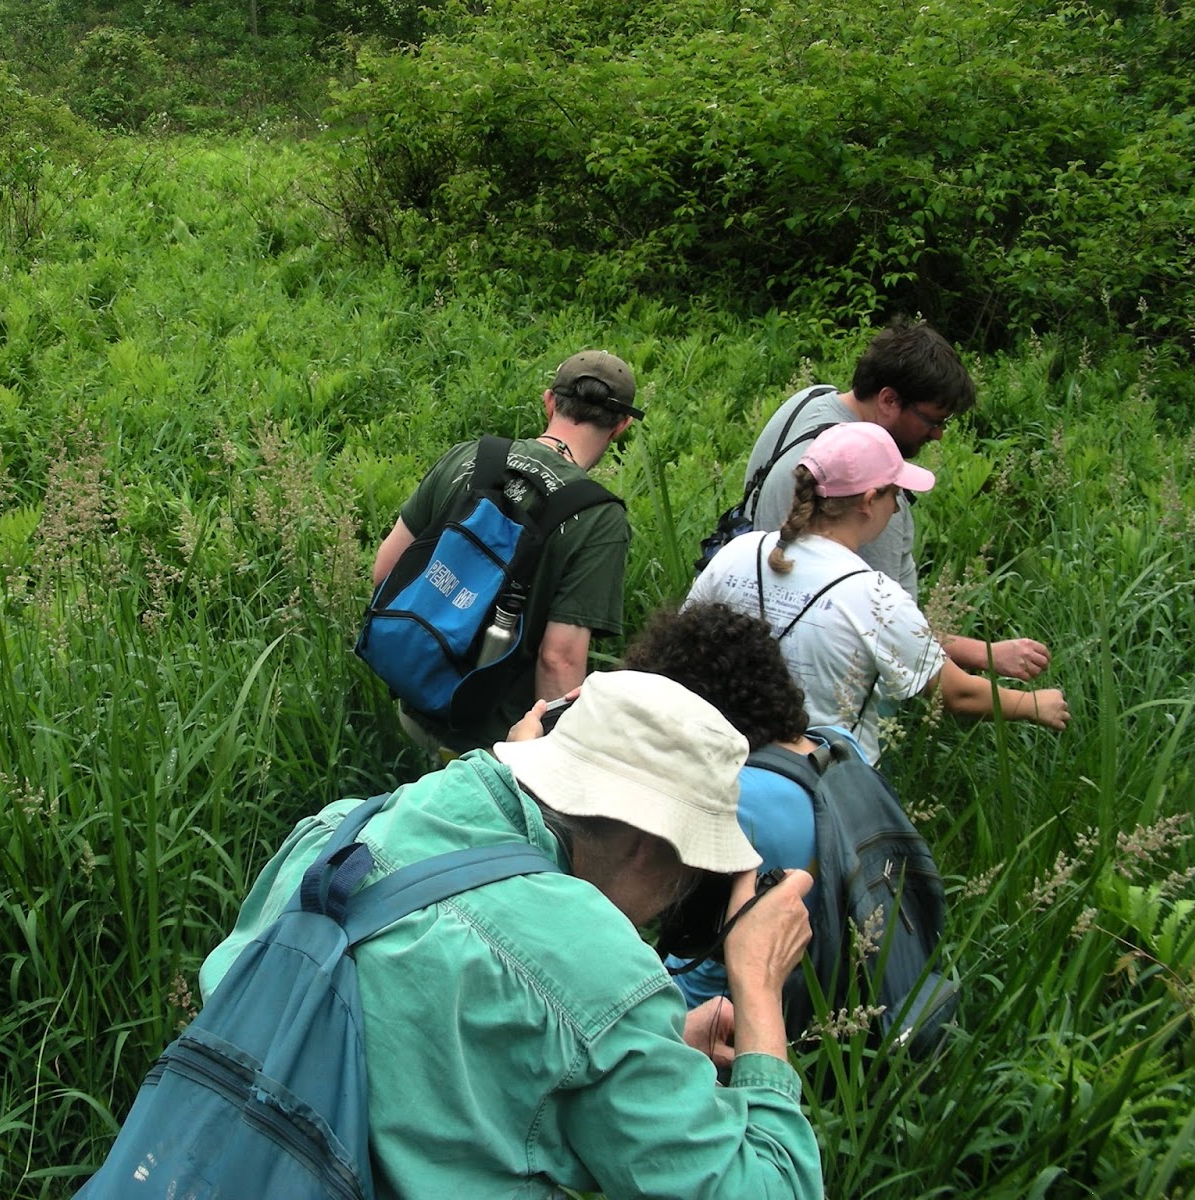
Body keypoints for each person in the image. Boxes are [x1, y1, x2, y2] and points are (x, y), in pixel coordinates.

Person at [201, 671, 824, 1199]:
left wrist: (644, 1046)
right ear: (645, 845)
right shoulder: (596, 971)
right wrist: (758, 987)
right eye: (690, 872)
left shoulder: (344, 829)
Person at [689, 422, 1070, 765]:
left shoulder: (739, 551)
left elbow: (685, 644)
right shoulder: (874, 595)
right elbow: (954, 694)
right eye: (897, 495)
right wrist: (1035, 704)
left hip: (719, 761)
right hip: (820, 788)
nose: (897, 507)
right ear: (870, 502)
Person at [743, 321, 1050, 682]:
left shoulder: (809, 399)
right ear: (888, 399)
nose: (938, 434)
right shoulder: (866, 495)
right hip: (815, 675)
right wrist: (986, 654)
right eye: (932, 420)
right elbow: (886, 633)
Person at [369, 350, 639, 755]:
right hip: (491, 746)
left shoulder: (470, 455)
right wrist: (549, 766)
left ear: (549, 401)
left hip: (414, 702)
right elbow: (559, 660)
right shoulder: (598, 518)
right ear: (621, 425)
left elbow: (386, 570)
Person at [619, 602, 861, 1016]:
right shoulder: (836, 744)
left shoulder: (733, 796)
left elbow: (633, 899)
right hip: (839, 963)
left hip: (735, 1004)